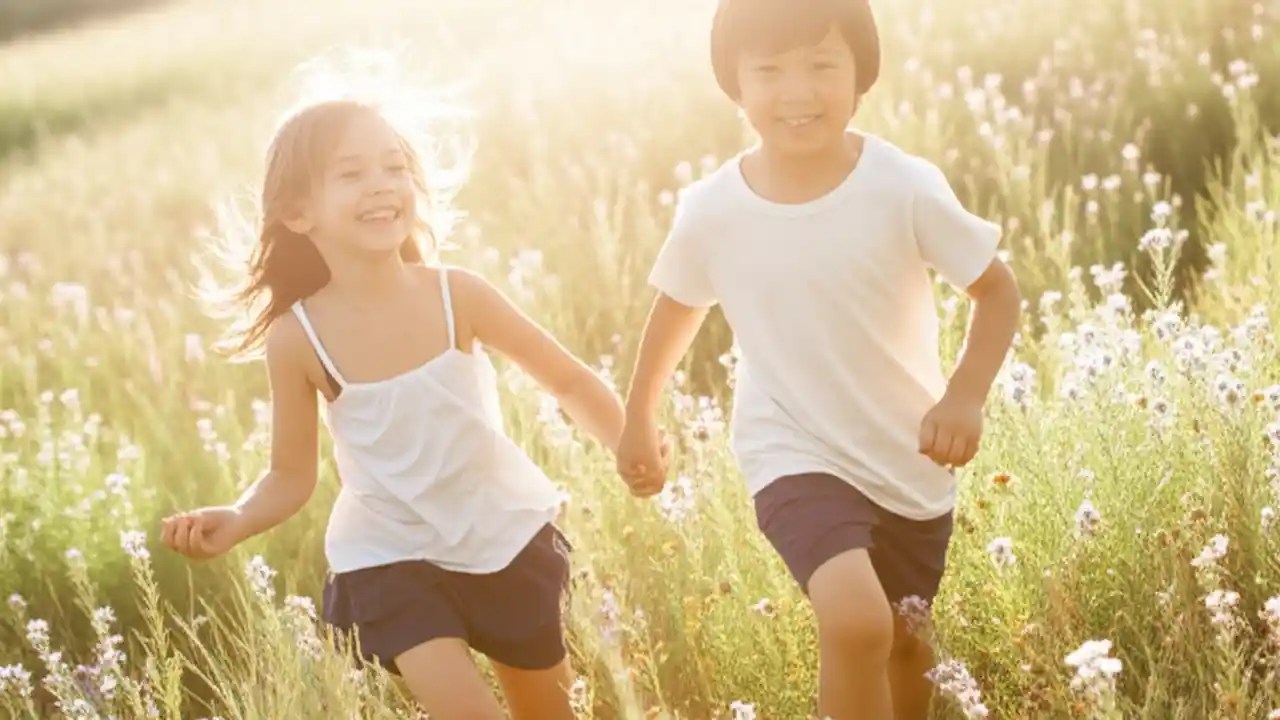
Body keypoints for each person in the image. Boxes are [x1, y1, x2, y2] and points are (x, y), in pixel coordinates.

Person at [161, 87, 628, 719]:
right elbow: (291, 475)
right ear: (299, 213)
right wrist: (238, 519)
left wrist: (630, 442)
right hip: (391, 554)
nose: (382, 184)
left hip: (504, 535)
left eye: (395, 167)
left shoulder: (457, 294)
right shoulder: (299, 338)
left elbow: (567, 380)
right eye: (351, 173)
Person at [616, 1, 1022, 718]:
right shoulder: (715, 209)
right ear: (734, 84)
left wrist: (964, 395)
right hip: (792, 449)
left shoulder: (902, 185)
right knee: (857, 620)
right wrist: (639, 413)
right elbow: (677, 307)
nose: (796, 92)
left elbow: (997, 291)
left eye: (821, 66)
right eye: (768, 71)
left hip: (907, 454)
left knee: (904, 641)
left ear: (861, 75)